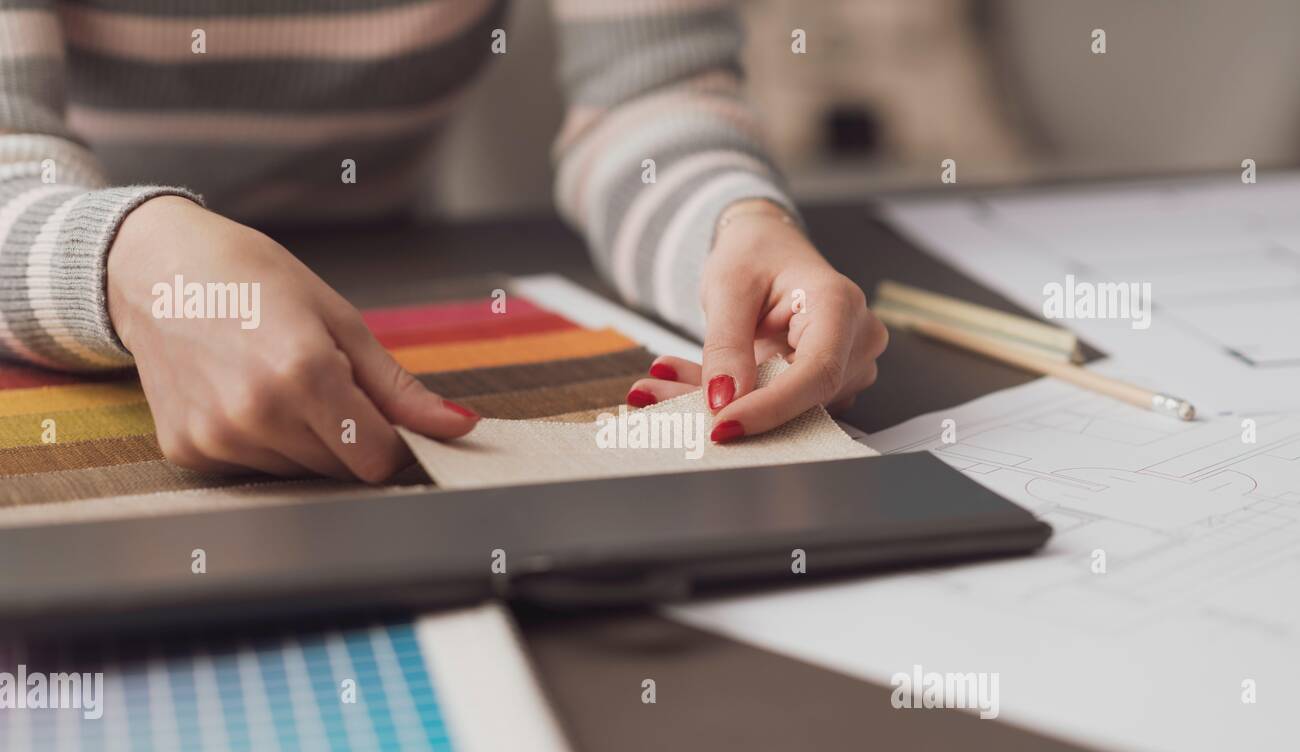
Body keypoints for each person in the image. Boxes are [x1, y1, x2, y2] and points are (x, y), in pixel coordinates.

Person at [0, 0, 887, 481]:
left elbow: (647, 96)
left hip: (400, 283)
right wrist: (131, 259)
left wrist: (740, 227)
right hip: (74, 316)